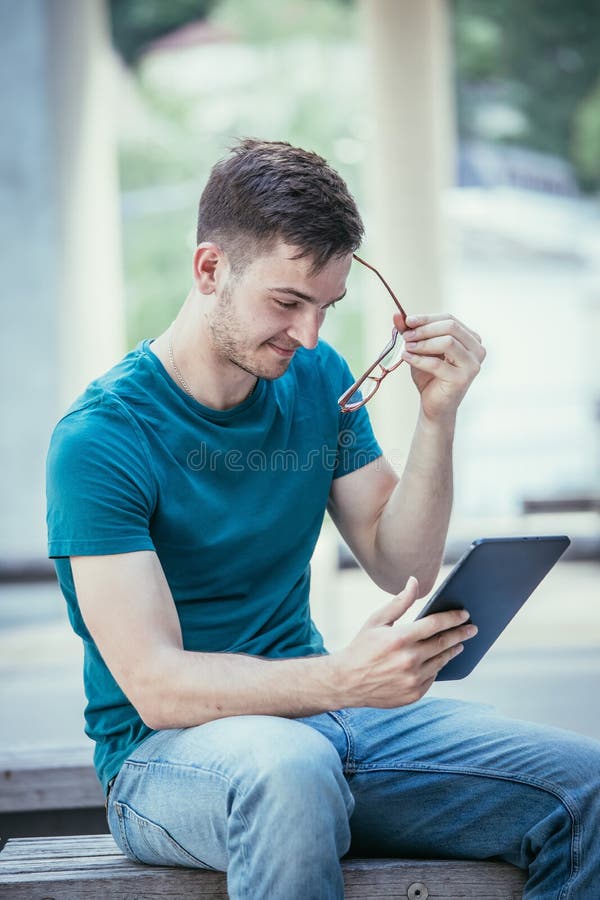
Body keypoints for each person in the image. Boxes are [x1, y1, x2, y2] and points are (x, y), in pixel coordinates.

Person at [46, 139, 600, 899]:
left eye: (326, 307)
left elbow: (399, 564)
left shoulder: (317, 379)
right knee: (290, 772)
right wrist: (342, 676)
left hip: (325, 722)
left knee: (586, 785)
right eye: (286, 303)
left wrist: (437, 420)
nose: (308, 336)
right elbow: (158, 688)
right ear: (209, 269)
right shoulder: (101, 439)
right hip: (164, 759)